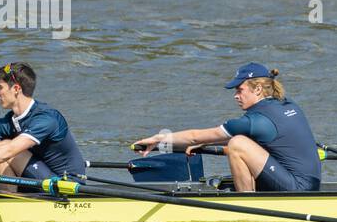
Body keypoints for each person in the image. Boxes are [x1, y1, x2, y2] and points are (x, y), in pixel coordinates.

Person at [133, 63, 321, 192]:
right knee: (237, 142)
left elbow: (194, 137)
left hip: (296, 187)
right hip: (310, 183)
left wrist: (158, 139)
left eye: (240, 90)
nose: (236, 96)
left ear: (257, 89)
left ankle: (247, 204)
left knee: (237, 144)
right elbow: (265, 140)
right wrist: (212, 145)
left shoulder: (254, 120)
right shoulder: (288, 105)